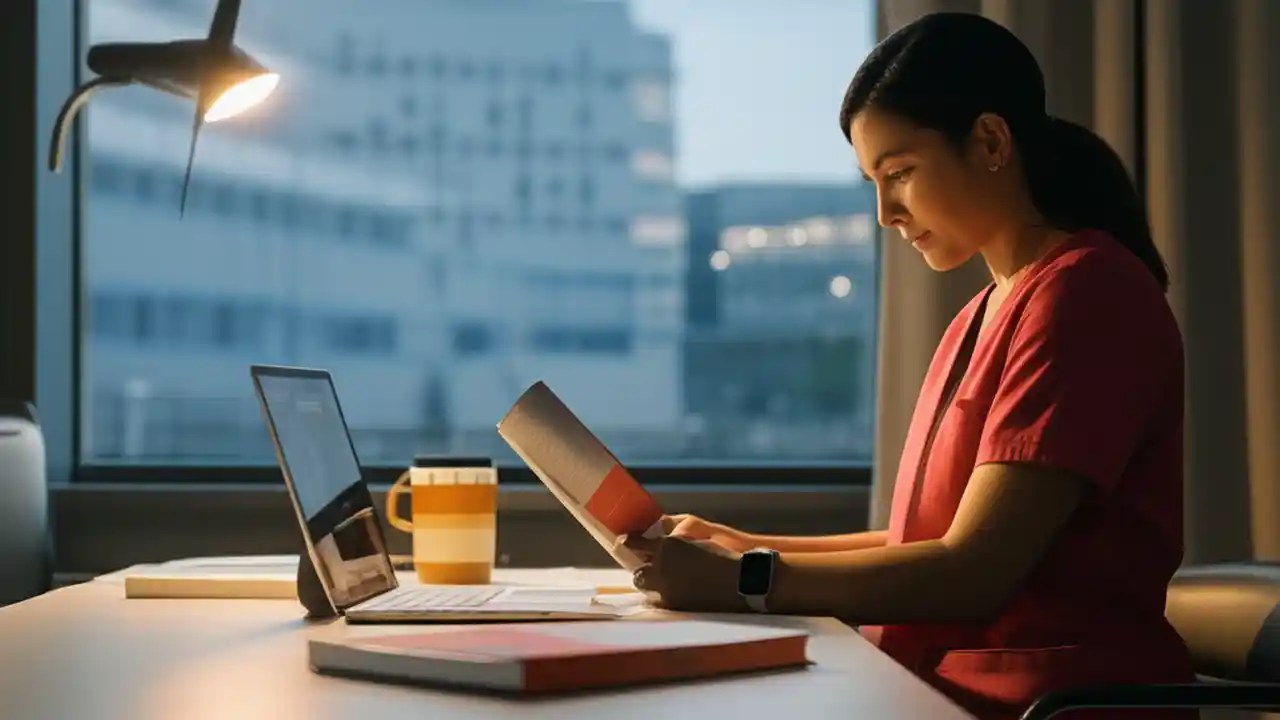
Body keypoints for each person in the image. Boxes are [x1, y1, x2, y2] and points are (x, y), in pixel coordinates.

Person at [622, 12, 1196, 720]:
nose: (886, 212)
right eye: (872, 181)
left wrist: (748, 578)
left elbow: (971, 572)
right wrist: (748, 544)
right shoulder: (979, 316)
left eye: (899, 173)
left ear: (990, 141)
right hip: (938, 689)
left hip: (1039, 703)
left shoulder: (1088, 295)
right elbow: (923, 542)